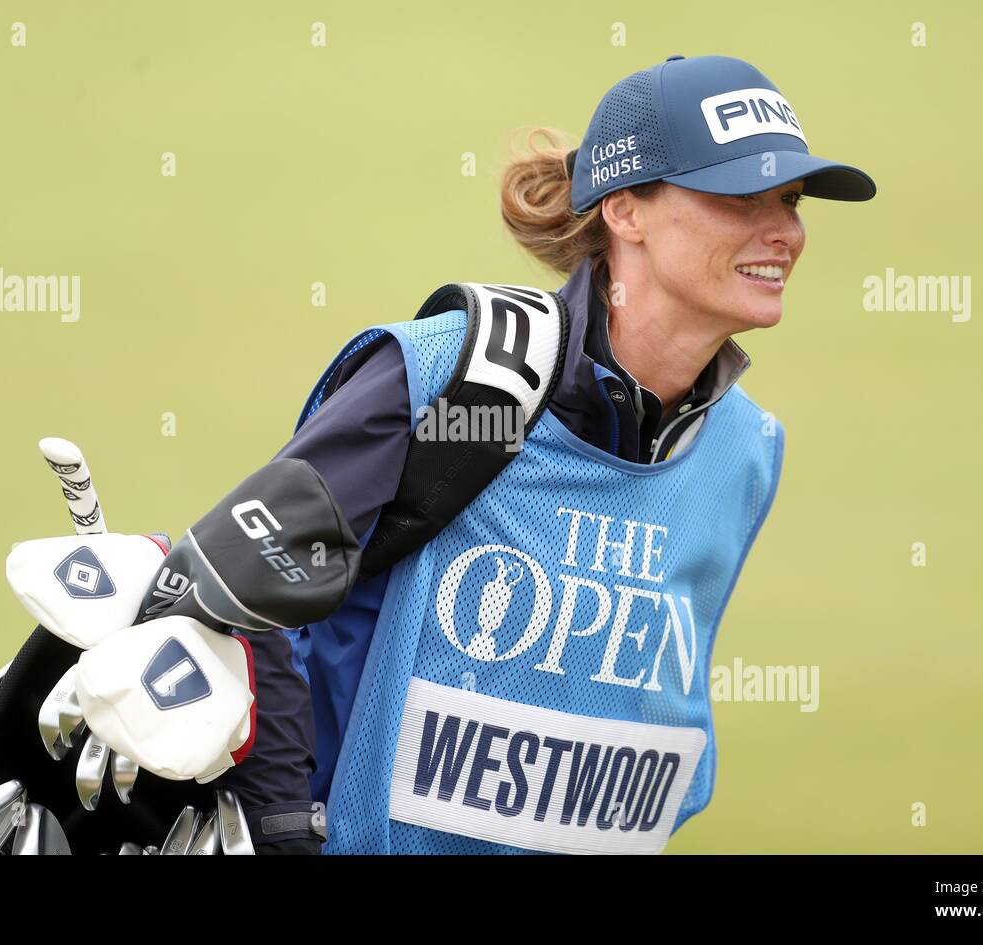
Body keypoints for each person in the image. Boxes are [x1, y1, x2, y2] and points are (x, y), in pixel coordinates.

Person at [142, 53, 876, 854]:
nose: (787, 232)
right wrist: (282, 827)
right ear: (626, 210)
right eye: (741, 196)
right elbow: (225, 589)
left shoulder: (745, 451)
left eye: (792, 199)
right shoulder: (460, 382)